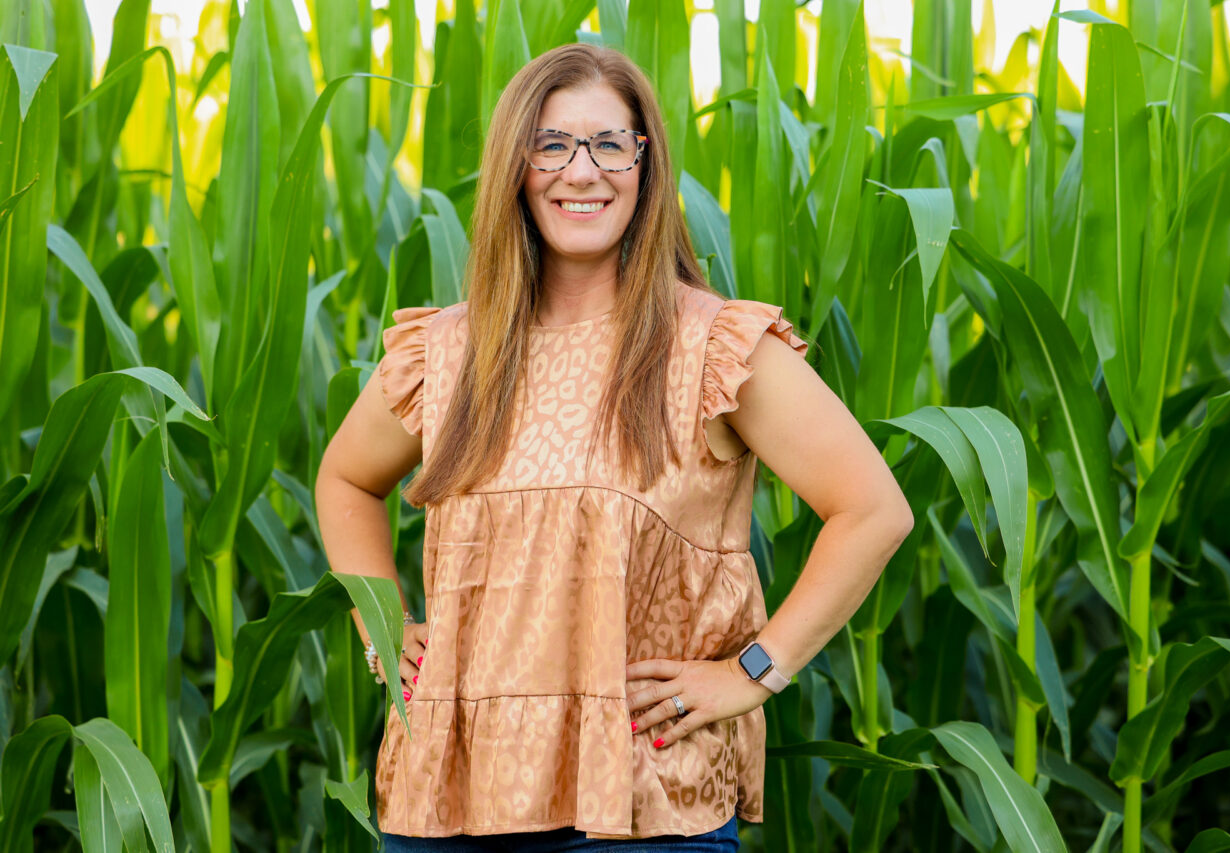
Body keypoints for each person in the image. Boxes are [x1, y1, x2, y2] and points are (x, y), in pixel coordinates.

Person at [315, 41, 913, 852]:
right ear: (516, 167)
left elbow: (872, 510)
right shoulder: (449, 351)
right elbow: (347, 479)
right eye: (552, 143)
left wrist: (752, 673)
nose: (581, 170)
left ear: (645, 162)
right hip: (446, 798)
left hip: (643, 803)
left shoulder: (714, 346)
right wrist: (381, 624)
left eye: (608, 144)